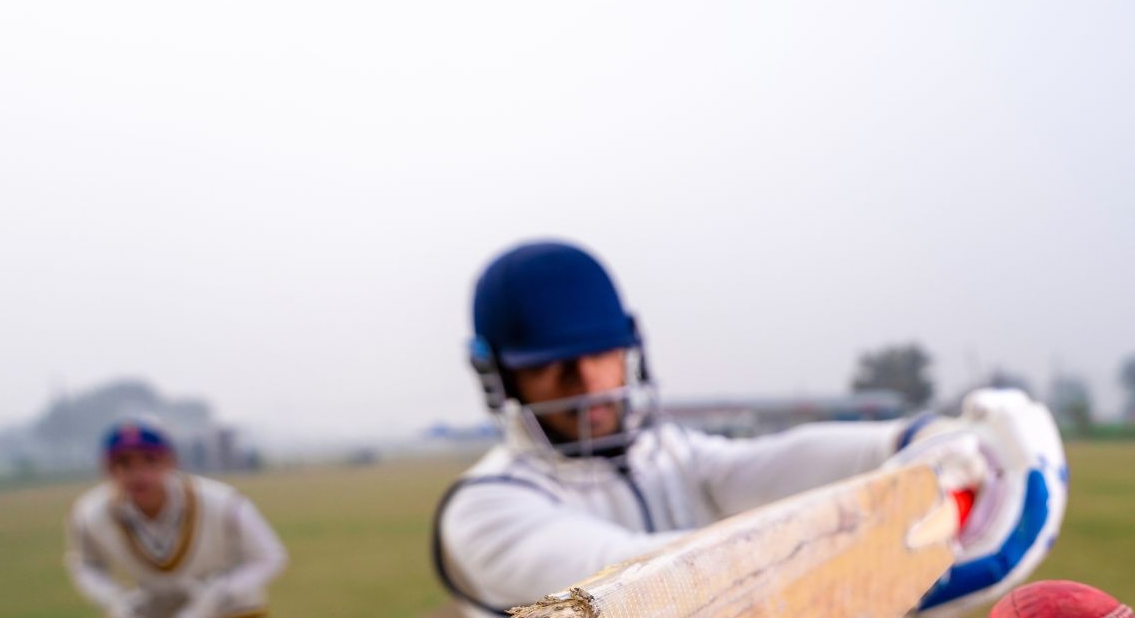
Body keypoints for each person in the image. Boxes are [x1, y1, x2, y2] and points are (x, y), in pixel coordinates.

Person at [432, 240, 1067, 617]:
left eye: (604, 354)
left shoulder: (668, 455)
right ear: (501, 378)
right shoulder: (486, 509)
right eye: (553, 367)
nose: (592, 383)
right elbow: (644, 588)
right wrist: (888, 566)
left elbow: (764, 464)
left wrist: (921, 442)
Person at [66, 419, 288, 618]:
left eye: (149, 461)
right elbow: (85, 565)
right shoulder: (90, 513)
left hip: (233, 610)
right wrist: (115, 598)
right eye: (124, 463)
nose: (138, 474)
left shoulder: (223, 502)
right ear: (108, 468)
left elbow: (271, 556)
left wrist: (217, 596)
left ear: (170, 461)